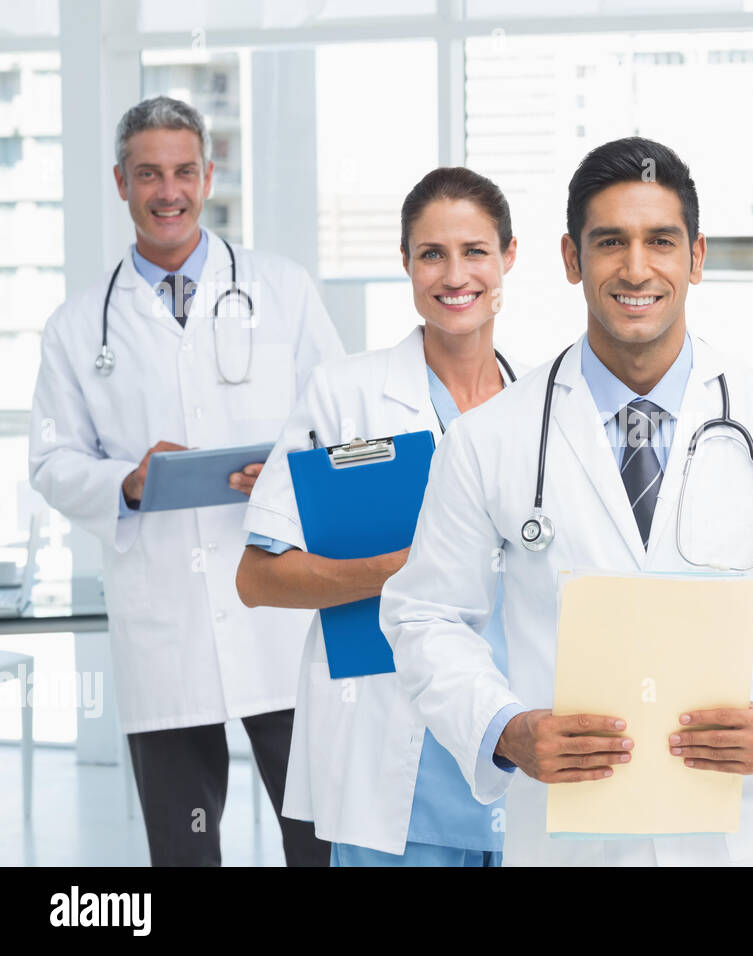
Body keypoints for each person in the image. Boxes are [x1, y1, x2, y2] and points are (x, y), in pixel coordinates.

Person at [379, 137, 753, 866]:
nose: (636, 268)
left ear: (697, 256)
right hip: (571, 835)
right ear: (570, 258)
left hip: (740, 834)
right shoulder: (489, 439)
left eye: (661, 241)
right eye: (610, 242)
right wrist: (503, 726)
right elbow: (425, 614)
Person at [28, 96, 343, 866]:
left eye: (182, 171)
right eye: (147, 174)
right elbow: (49, 461)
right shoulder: (77, 326)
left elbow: (340, 423)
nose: (167, 191)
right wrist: (127, 484)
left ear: (207, 176)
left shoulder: (283, 289)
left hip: (278, 610)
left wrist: (290, 469)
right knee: (185, 847)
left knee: (323, 841)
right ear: (120, 182)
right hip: (163, 620)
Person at [235, 167, 518, 866]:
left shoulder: (545, 403)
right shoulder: (345, 394)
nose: (455, 275)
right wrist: (403, 572)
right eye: (432, 254)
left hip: (514, 742)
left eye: (476, 251)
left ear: (509, 257)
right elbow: (257, 578)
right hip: (390, 752)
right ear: (406, 264)